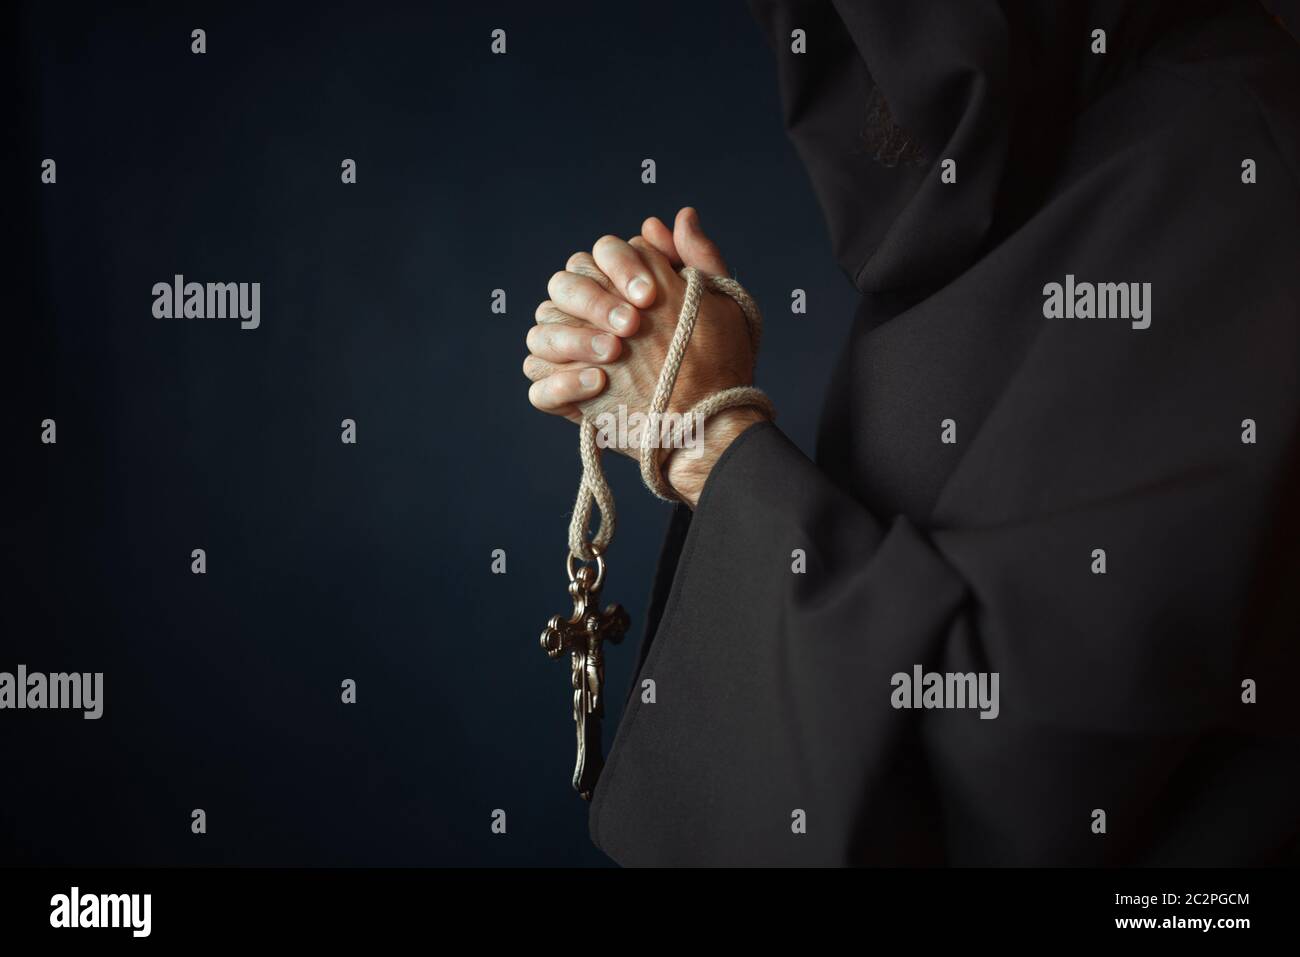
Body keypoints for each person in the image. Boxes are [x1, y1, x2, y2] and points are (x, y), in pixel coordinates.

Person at [522, 0, 1300, 865]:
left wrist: (709, 436)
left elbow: (1022, 768)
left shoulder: (1237, 168)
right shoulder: (1044, 150)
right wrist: (686, 382)